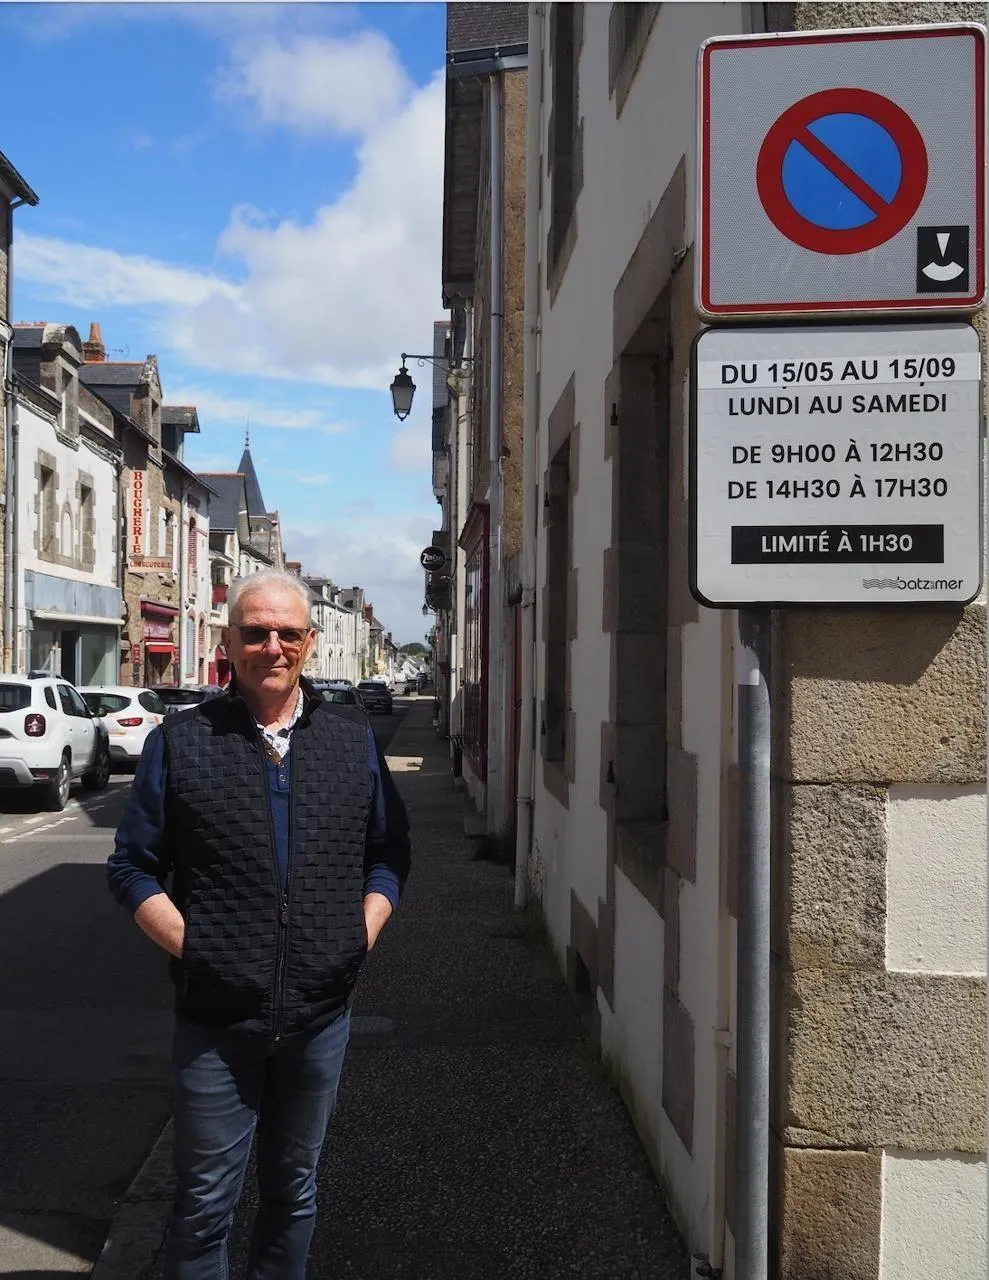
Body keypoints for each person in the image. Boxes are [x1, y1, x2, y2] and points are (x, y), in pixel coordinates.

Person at [108, 568, 411, 1279]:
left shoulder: (350, 738)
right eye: (254, 632)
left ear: (309, 641)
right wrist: (199, 951)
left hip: (318, 1017)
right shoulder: (182, 742)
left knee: (293, 1192)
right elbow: (131, 868)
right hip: (216, 1021)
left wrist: (356, 937)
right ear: (228, 641)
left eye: (286, 633)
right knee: (205, 1203)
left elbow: (389, 852)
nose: (271, 647)